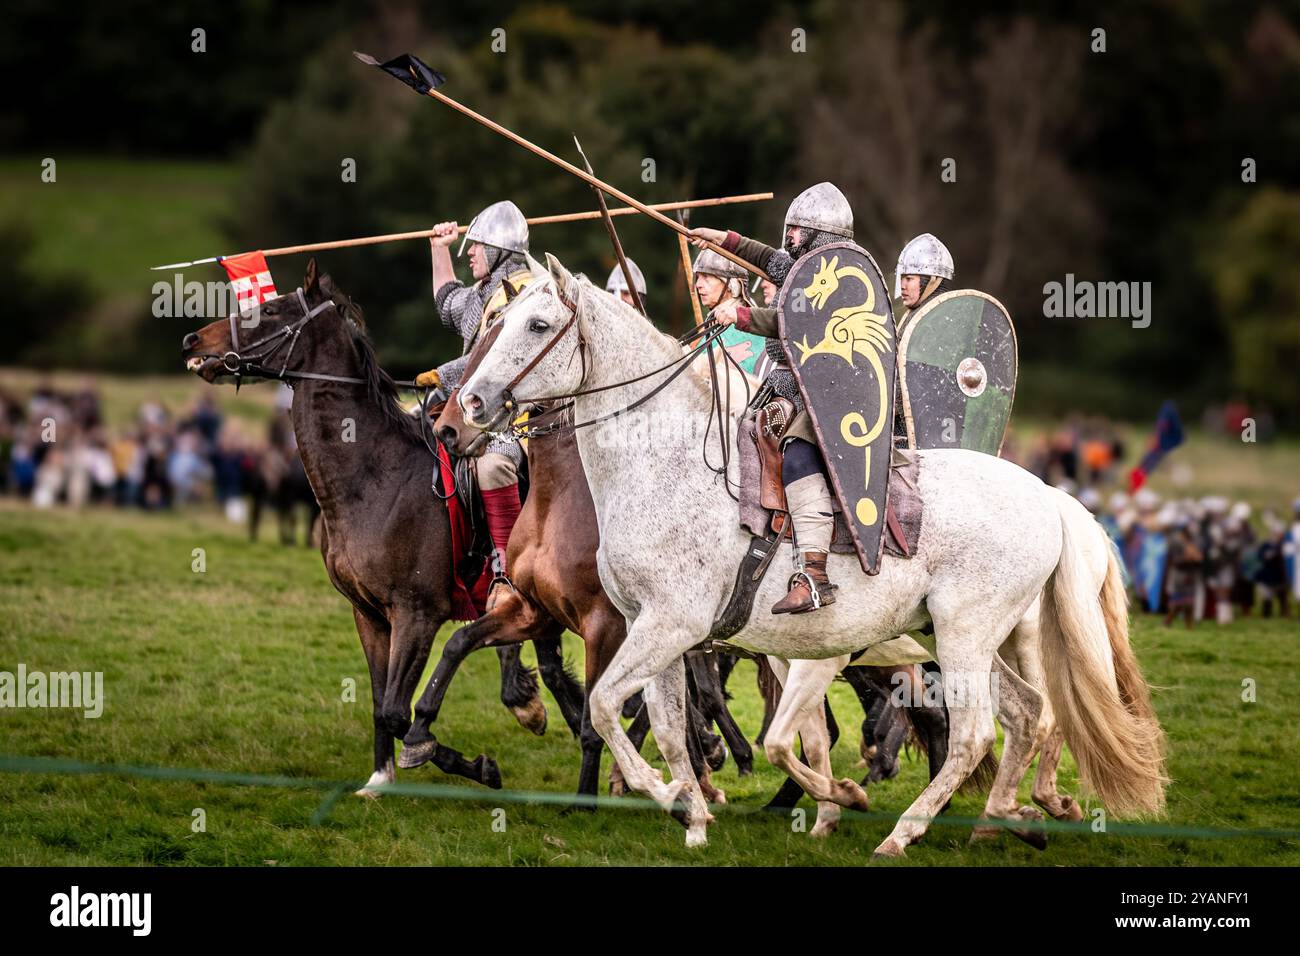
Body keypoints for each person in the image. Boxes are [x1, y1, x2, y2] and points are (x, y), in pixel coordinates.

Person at [689, 182, 856, 614]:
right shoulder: (803, 268)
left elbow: (796, 321)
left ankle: (815, 574)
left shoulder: (837, 280)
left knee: (798, 454)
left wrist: (741, 315)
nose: (790, 239)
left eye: (799, 232)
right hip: (786, 386)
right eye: (791, 230)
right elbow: (766, 258)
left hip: (824, 395)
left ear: (820, 237)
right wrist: (722, 240)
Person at [414, 201, 536, 603]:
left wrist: (444, 375)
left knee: (493, 465)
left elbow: (496, 354)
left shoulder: (527, 291)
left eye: (477, 245)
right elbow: (448, 304)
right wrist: (439, 248)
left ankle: (508, 568)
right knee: (416, 429)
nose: (470, 252)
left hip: (522, 412)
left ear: (501, 250)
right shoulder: (487, 291)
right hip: (482, 404)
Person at [891, 233, 954, 446]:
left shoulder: (940, 323)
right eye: (902, 278)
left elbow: (923, 384)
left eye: (909, 279)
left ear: (932, 281)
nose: (903, 286)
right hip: (903, 425)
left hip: (926, 434)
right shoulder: (914, 316)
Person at [690, 248, 770, 378]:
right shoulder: (711, 326)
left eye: (706, 277)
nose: (698, 284)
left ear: (731, 285)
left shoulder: (751, 327)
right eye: (698, 277)